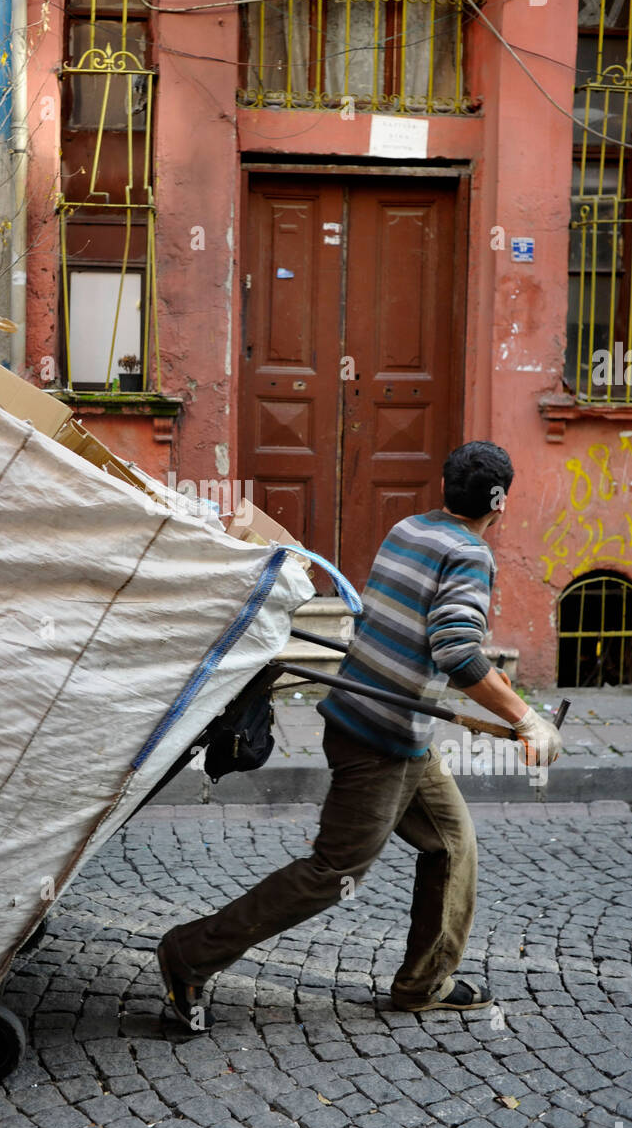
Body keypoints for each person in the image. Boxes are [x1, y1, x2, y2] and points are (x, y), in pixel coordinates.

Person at [157, 441, 563, 1029]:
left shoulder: (408, 527)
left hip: (386, 722)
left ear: (445, 487)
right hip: (382, 737)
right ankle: (189, 953)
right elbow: (457, 650)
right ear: (499, 505)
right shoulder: (469, 554)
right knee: (331, 875)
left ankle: (424, 982)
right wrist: (525, 717)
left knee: (452, 847)